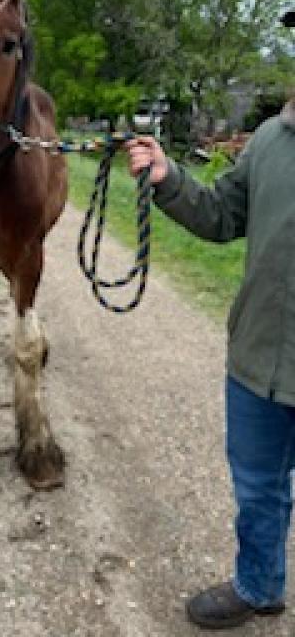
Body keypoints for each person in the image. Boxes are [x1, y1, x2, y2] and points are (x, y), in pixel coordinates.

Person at [126, 87, 295, 630]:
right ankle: (259, 586)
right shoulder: (271, 139)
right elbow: (222, 215)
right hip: (258, 359)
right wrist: (167, 179)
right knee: (257, 489)